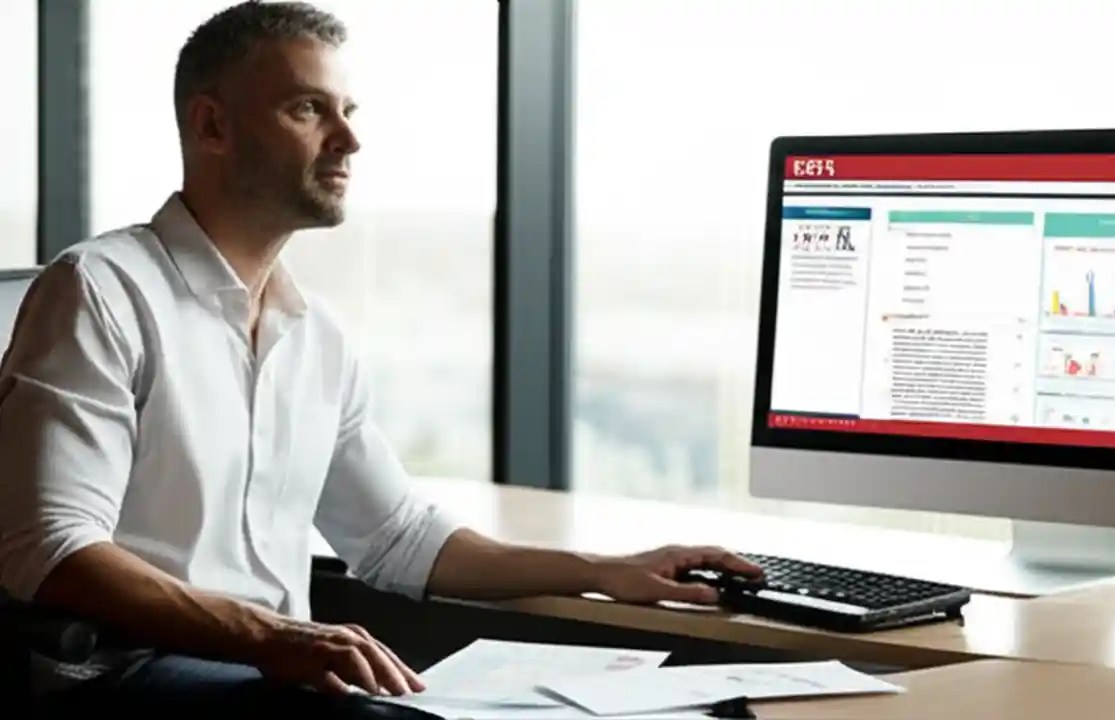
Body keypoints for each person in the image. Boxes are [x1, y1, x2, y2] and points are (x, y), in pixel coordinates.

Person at [0, 2, 761, 717]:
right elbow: (52, 549)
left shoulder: (315, 334)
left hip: (264, 671)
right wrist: (272, 636)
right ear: (212, 126)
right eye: (308, 109)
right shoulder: (99, 292)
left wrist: (603, 571)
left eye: (348, 112)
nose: (349, 140)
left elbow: (396, 537)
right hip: (123, 676)